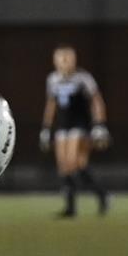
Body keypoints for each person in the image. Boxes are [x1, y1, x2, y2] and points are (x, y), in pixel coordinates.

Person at [39, 46, 110, 216]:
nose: (64, 62)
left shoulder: (82, 78)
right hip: (62, 126)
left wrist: (100, 124)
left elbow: (96, 100)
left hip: (80, 125)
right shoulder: (53, 79)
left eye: (67, 58)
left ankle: (82, 203)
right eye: (60, 58)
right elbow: (51, 104)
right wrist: (46, 128)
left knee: (72, 163)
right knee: (67, 167)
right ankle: (92, 198)